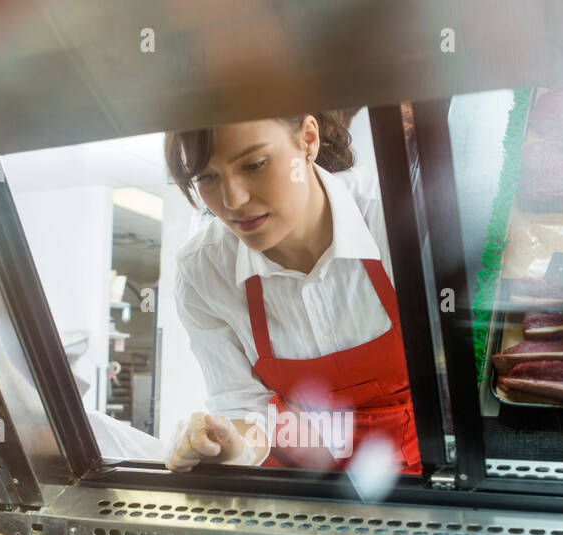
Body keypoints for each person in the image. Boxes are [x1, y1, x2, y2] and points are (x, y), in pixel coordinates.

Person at [163, 110, 421, 474]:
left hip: (421, 478)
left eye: (255, 164)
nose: (233, 200)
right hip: (298, 489)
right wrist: (228, 445)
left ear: (308, 140)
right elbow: (243, 407)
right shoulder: (203, 271)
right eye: (207, 176)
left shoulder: (399, 218)